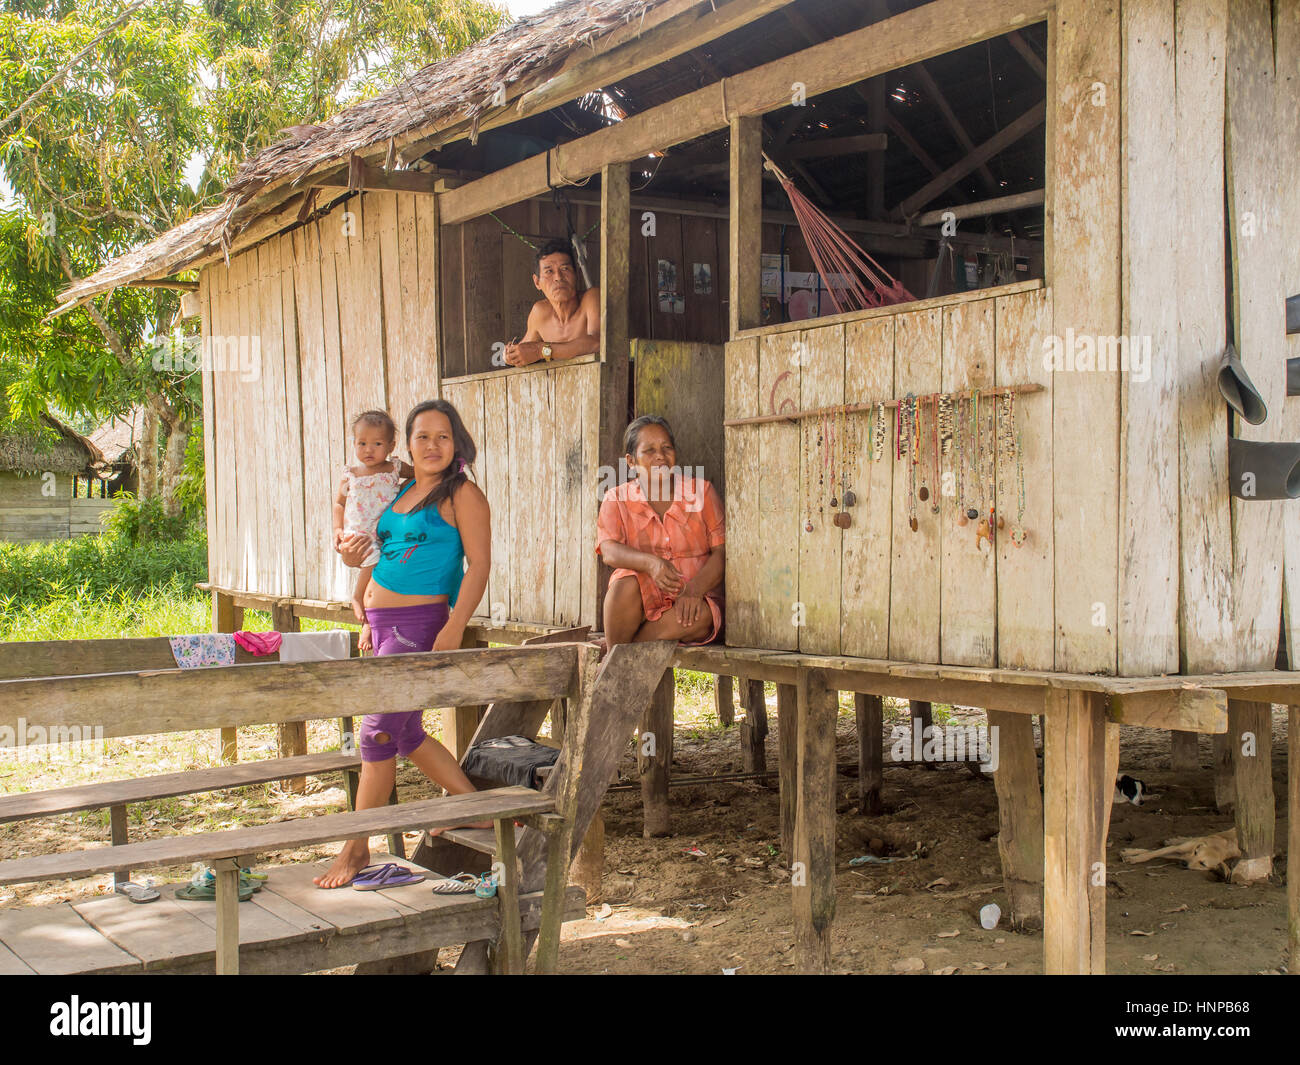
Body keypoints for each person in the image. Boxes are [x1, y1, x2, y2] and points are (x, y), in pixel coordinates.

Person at [315, 399, 491, 889]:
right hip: (381, 622)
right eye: (422, 437)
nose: (431, 445)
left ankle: (355, 849)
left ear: (457, 443)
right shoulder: (402, 489)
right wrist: (353, 565)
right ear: (407, 446)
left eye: (442, 436)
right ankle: (472, 807)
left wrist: (455, 625)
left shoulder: (463, 496)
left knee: (376, 734)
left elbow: (479, 565)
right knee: (405, 732)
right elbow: (379, 550)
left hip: (421, 624)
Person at [596, 415, 725, 648]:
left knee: (700, 617)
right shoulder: (615, 498)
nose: (660, 456)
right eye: (649, 450)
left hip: (694, 599)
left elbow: (721, 552)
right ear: (631, 461)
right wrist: (651, 564)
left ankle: (616, 653)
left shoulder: (701, 492)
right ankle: (619, 652)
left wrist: (694, 590)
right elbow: (609, 551)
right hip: (642, 603)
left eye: (667, 448)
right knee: (624, 584)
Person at [332, 410, 412, 631]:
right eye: (362, 443)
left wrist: (403, 488)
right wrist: (337, 529)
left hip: (387, 531)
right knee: (373, 559)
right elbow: (339, 503)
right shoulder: (350, 474)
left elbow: (419, 475)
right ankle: (358, 596)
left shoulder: (395, 468)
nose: (368, 449)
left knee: (387, 564)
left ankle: (372, 619)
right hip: (360, 534)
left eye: (377, 444)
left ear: (391, 446)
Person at [502, 238, 601, 367]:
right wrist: (509, 356)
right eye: (549, 271)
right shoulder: (540, 313)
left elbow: (597, 343)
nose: (558, 277)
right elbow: (523, 351)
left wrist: (540, 350)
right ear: (537, 282)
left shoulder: (592, 298)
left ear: (576, 274)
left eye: (565, 269)